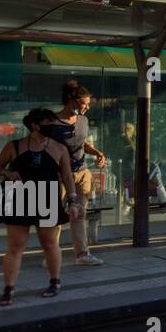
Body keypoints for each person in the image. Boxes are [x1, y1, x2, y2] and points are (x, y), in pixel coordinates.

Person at [0, 108, 83, 306]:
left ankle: (55, 282)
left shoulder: (59, 148)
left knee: (49, 243)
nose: (55, 127)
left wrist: (73, 201)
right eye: (50, 123)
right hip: (19, 199)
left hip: (47, 199)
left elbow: (67, 177)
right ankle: (9, 289)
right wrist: (7, 173)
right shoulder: (14, 146)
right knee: (15, 247)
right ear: (35, 125)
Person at [54, 80, 105, 266]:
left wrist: (97, 153)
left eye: (88, 104)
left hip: (81, 172)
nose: (87, 108)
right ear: (72, 101)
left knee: (79, 214)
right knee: (56, 215)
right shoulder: (54, 122)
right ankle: (51, 252)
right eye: (84, 104)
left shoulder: (83, 120)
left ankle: (82, 254)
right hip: (59, 176)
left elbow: (83, 143)